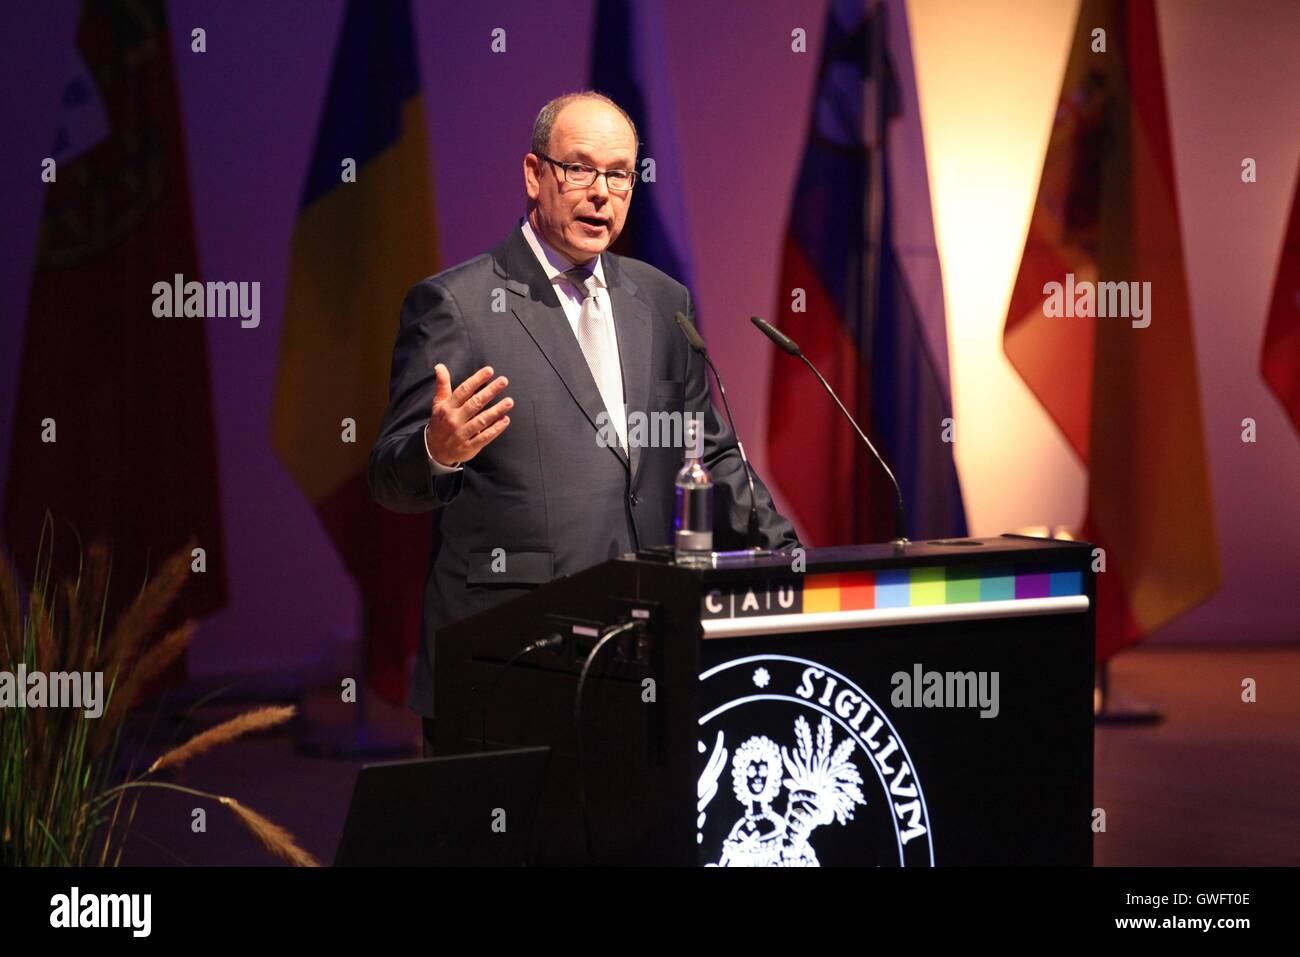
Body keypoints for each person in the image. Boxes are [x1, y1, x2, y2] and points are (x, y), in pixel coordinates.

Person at [368, 91, 797, 754]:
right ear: (534, 174)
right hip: (506, 660)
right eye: (580, 169)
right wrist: (437, 448)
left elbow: (709, 455)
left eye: (619, 173)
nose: (602, 193)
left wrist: (792, 559)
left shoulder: (660, 300)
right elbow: (390, 479)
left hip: (642, 650)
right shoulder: (457, 305)